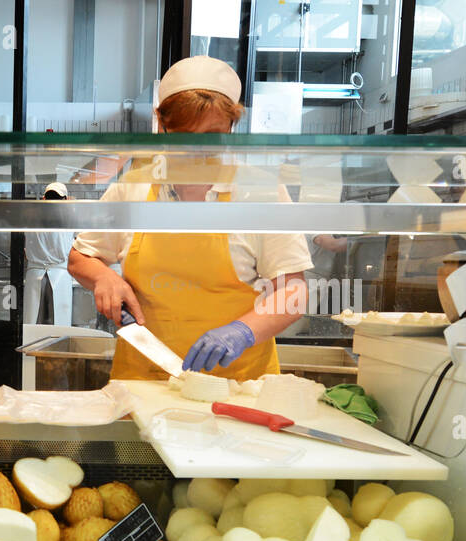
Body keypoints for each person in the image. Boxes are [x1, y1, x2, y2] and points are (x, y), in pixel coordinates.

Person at [68, 56, 313, 380]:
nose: (196, 149)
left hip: (237, 389)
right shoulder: (134, 187)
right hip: (145, 382)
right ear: (162, 125)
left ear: (231, 127)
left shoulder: (261, 190)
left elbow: (293, 291)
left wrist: (242, 331)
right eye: (183, 134)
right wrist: (104, 278)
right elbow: (80, 257)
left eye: (211, 135)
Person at [23, 182, 79, 326]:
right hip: (60, 273)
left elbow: (24, 249)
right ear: (66, 200)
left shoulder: (30, 218)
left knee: (34, 323)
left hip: (36, 273)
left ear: (43, 198)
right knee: (57, 324)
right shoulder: (71, 219)